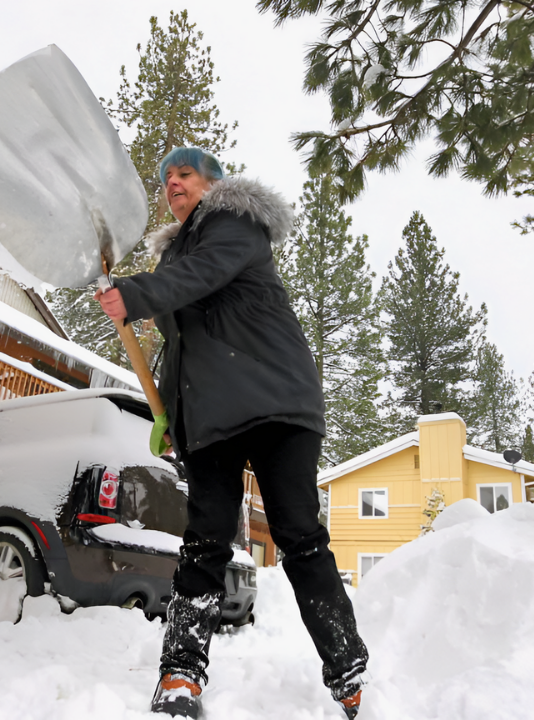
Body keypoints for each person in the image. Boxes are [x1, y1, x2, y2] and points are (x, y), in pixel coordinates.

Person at [97, 147, 369, 719]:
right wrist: (172, 415)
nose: (173, 183)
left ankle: (347, 669)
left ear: (213, 183)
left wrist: (139, 292)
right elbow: (181, 351)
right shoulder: (175, 259)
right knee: (205, 540)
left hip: (275, 404)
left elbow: (204, 275)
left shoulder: (234, 222)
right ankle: (180, 676)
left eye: (185, 174)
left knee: (297, 533)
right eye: (167, 178)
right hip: (211, 417)